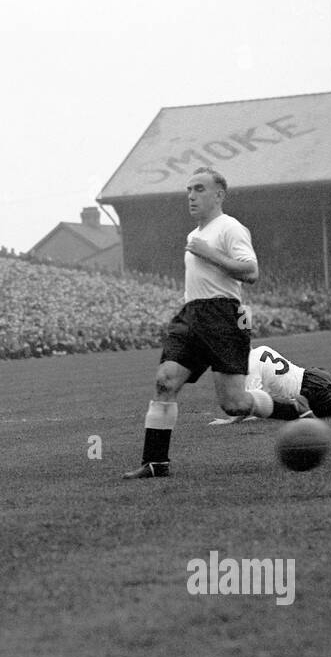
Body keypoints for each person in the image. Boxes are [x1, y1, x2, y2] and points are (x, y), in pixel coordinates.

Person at [122, 168, 310, 480]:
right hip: (191, 315)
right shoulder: (193, 236)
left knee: (234, 404)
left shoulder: (230, 228)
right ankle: (156, 463)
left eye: (198, 189)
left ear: (218, 194)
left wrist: (210, 255)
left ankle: (293, 410)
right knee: (165, 381)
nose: (191, 196)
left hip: (224, 316)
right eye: (188, 190)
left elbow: (251, 272)